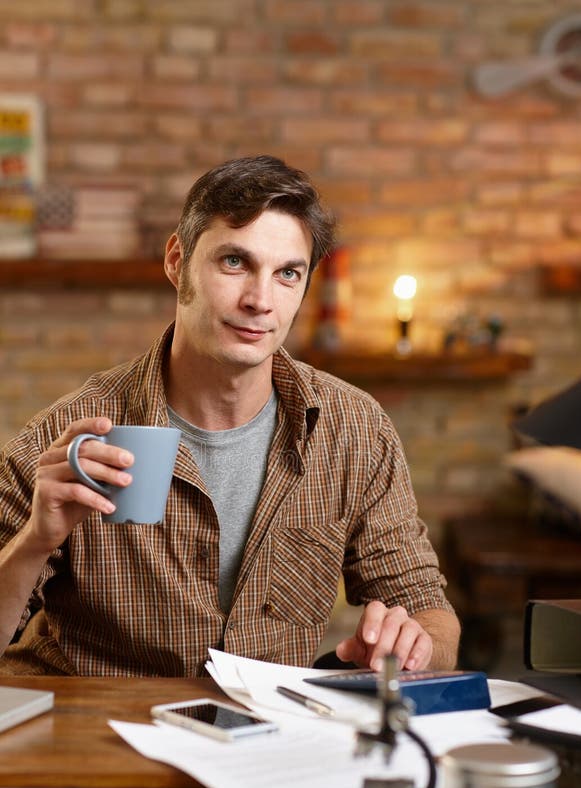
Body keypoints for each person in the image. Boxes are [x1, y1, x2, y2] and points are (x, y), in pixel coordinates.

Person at [0, 155, 460, 677]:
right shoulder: (73, 433)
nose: (260, 301)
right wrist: (35, 541)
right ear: (177, 261)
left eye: (287, 273)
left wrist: (414, 647)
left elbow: (428, 609)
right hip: (99, 738)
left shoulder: (353, 429)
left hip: (257, 742)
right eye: (234, 262)